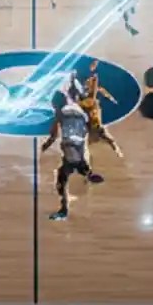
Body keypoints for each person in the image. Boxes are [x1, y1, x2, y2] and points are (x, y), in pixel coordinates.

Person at [41, 91, 94, 221]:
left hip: (69, 146)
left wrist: (45, 146)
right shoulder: (79, 110)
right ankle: (87, 172)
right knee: (80, 166)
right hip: (80, 145)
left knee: (61, 179)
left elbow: (53, 136)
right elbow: (88, 128)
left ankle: (63, 210)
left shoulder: (60, 113)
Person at [72, 60, 123, 160]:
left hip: (88, 109)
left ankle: (85, 159)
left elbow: (97, 89)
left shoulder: (90, 128)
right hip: (89, 109)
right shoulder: (97, 129)